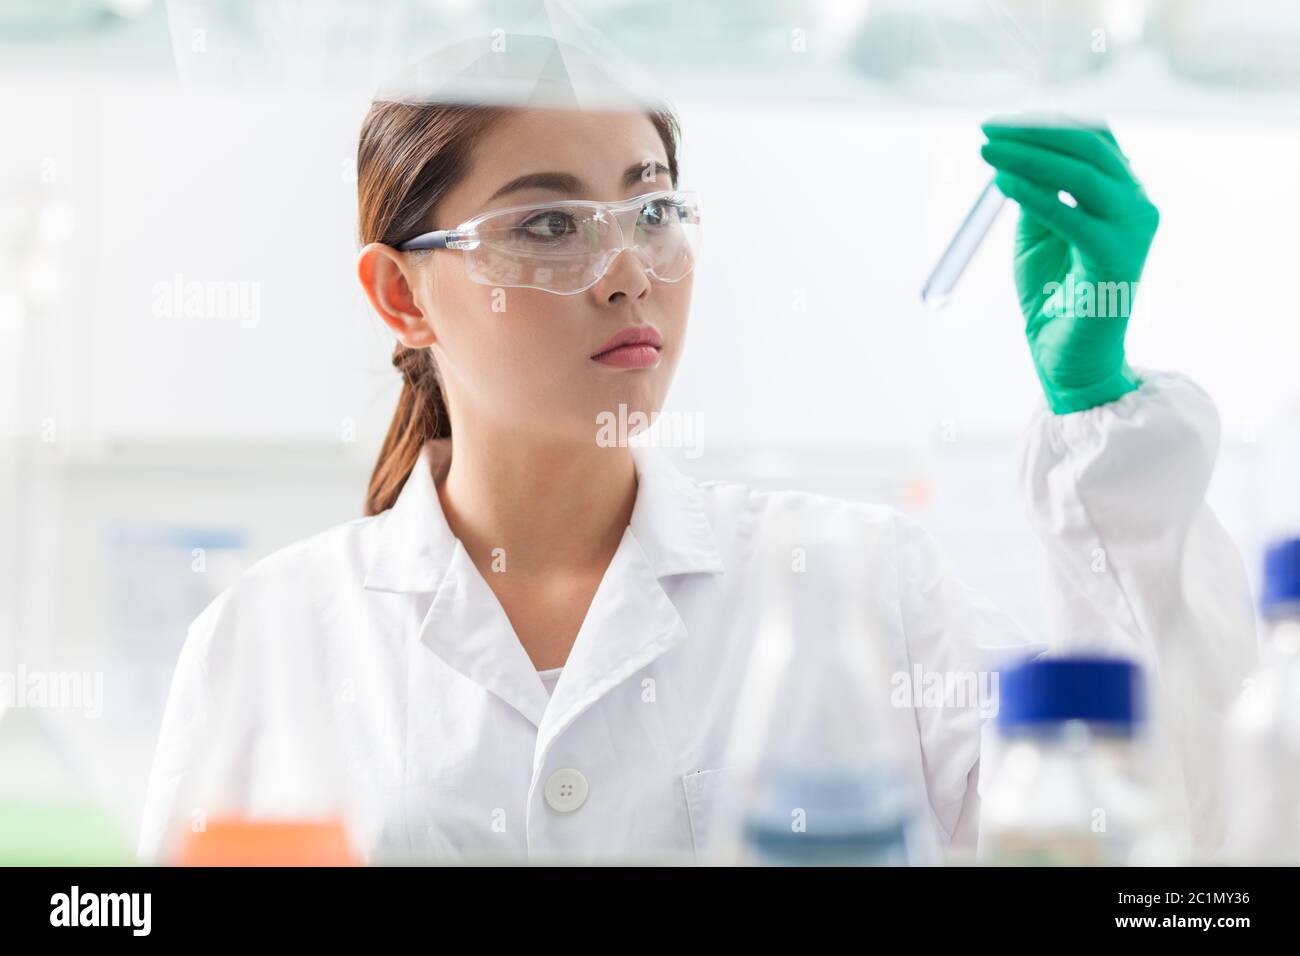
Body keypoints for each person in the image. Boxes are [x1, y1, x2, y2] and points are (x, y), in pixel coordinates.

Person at [136, 96, 1257, 864]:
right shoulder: (267, 635)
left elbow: (1164, 841)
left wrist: (1097, 408)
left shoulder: (862, 582)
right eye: (549, 223)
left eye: (654, 209)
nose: (629, 272)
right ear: (401, 294)